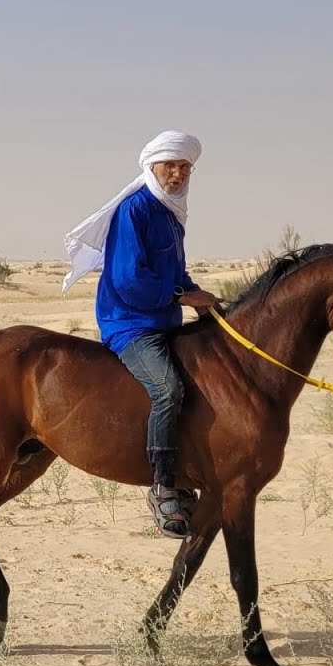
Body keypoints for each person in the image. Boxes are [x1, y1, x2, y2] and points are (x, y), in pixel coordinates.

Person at [61, 131, 221, 538]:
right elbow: (130, 280)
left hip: (165, 320)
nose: (178, 173)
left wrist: (203, 300)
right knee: (167, 389)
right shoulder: (136, 210)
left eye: (185, 167)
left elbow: (175, 272)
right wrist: (183, 295)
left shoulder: (171, 214)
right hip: (129, 323)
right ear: (153, 168)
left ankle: (190, 472)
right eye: (171, 165)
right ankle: (165, 485)